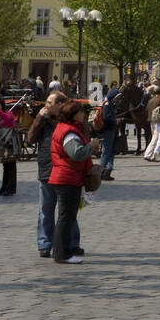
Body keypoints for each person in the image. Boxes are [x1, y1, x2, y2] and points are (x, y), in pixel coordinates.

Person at [28, 90, 82, 257]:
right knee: (46, 210)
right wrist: (38, 119)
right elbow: (30, 139)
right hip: (47, 170)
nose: (46, 105)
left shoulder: (71, 121)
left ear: (60, 105)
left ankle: (72, 244)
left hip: (67, 172)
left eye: (49, 103)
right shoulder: (43, 121)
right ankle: (44, 244)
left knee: (68, 211)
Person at [48, 99, 98, 264]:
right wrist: (90, 146)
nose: (84, 114)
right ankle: (62, 254)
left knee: (66, 217)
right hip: (67, 178)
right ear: (74, 114)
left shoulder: (67, 129)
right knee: (66, 217)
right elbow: (76, 153)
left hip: (66, 177)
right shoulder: (69, 132)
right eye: (81, 111)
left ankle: (63, 250)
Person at [0, 99, 19, 196]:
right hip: (4, 142)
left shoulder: (9, 113)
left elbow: (8, 119)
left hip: (10, 143)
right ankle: (4, 187)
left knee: (11, 166)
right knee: (6, 167)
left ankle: (10, 188)